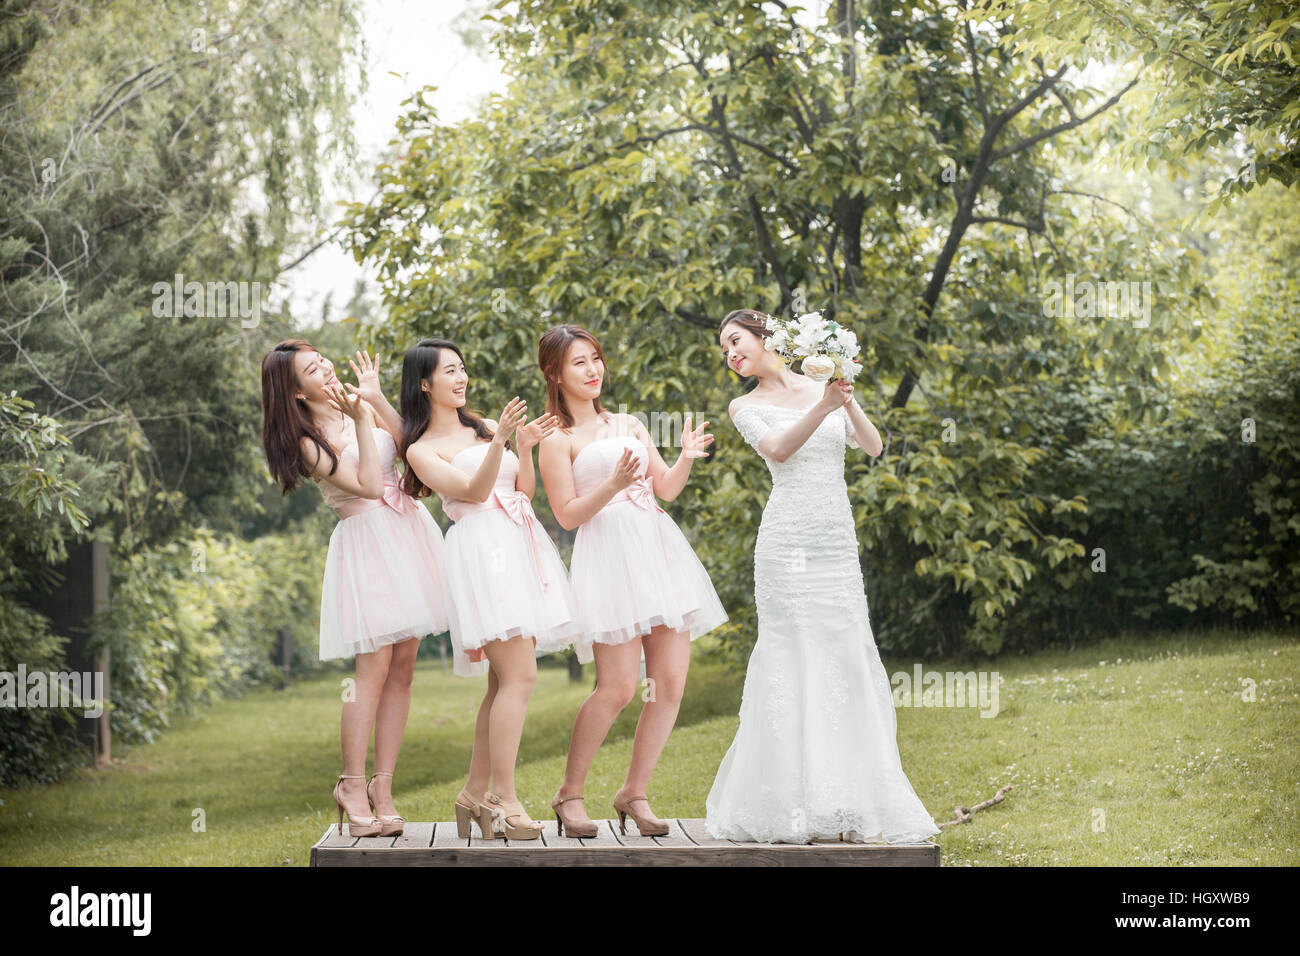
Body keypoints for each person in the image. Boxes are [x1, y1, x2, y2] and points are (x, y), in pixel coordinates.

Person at [705, 309, 940, 844]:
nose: (731, 354)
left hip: (835, 541)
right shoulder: (744, 406)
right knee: (792, 657)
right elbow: (780, 451)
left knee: (844, 655)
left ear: (768, 339)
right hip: (786, 542)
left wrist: (843, 399)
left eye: (736, 341)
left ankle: (846, 801)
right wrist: (823, 406)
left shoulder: (820, 382)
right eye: (724, 349)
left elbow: (874, 447)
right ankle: (788, 806)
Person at [536, 324, 727, 838]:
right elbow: (568, 516)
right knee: (618, 687)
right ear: (555, 372)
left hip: (657, 550)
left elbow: (664, 487)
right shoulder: (556, 439)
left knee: (669, 683)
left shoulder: (629, 422)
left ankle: (633, 792)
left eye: (595, 357)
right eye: (578, 362)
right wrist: (614, 485)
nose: (592, 369)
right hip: (609, 558)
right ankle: (568, 794)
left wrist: (685, 456)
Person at [260, 342, 447, 839]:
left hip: (406, 533)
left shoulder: (360, 403)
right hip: (367, 542)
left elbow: (412, 448)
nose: (325, 369)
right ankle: (352, 783)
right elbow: (366, 484)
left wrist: (374, 399)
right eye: (311, 370)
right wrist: (360, 420)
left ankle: (383, 788)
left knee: (404, 667)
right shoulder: (306, 440)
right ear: (295, 392)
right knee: (373, 669)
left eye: (323, 360)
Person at [399, 337, 581, 840]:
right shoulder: (421, 449)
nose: (461, 379)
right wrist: (501, 440)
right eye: (449, 371)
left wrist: (521, 448)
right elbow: (475, 492)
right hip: (481, 553)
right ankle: (504, 797)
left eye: (463, 369)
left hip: (517, 542)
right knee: (521, 678)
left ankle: (474, 795)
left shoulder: (479, 427)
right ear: (423, 383)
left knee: (504, 681)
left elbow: (520, 492)